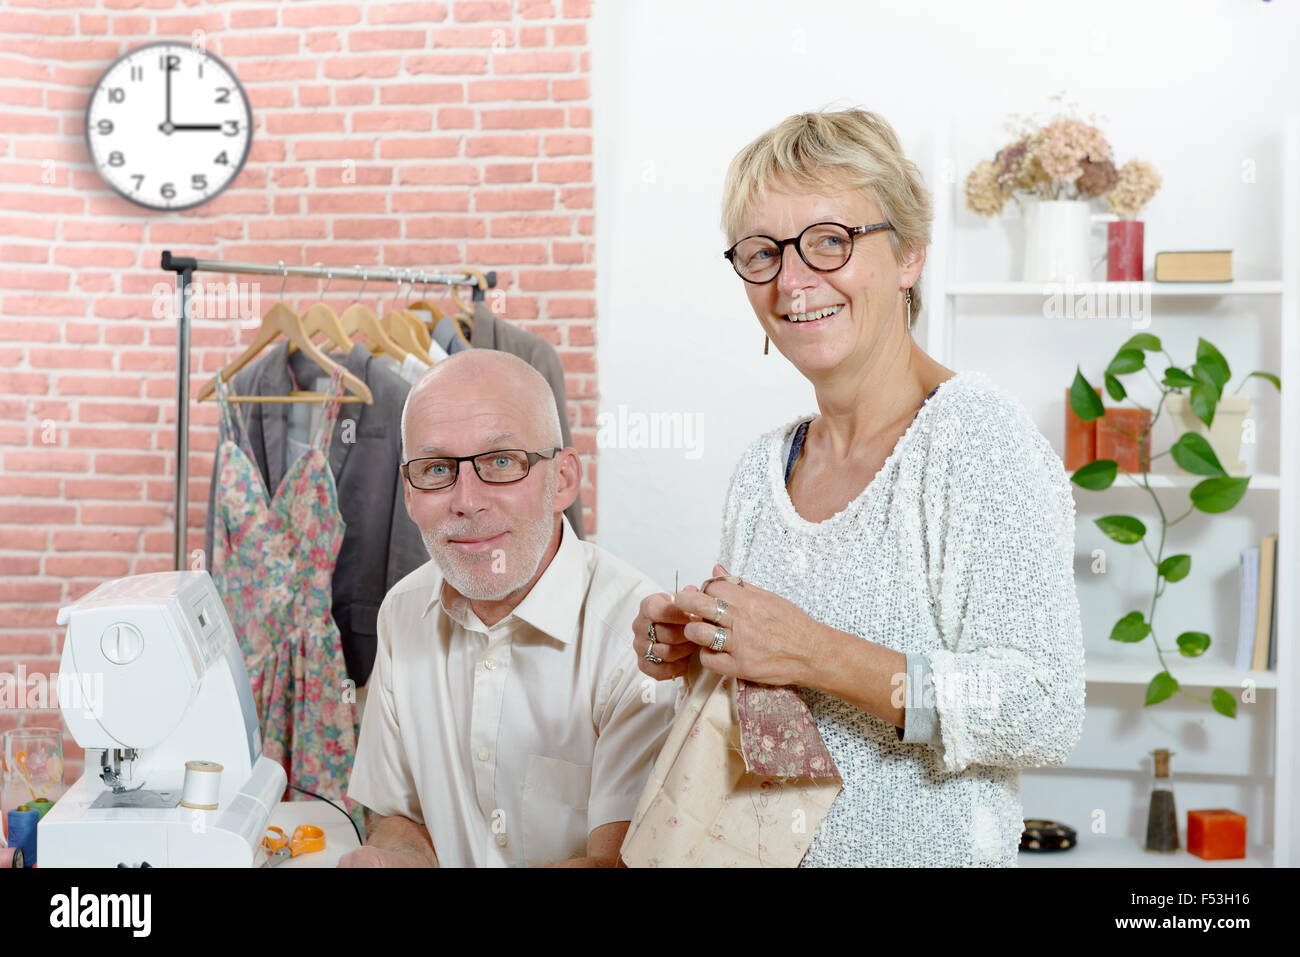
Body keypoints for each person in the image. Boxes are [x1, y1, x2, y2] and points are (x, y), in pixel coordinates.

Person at [632, 108, 1086, 866]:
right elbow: (772, 714)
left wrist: (813, 652)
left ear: (909, 254)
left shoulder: (975, 440)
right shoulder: (760, 472)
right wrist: (697, 645)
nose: (793, 280)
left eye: (830, 241)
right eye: (762, 252)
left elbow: (1041, 710)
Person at [342, 349, 676, 867]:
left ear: (562, 480)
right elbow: (396, 815)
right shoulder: (403, 611)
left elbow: (617, 863)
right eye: (436, 469)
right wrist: (394, 859)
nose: (467, 501)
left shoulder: (640, 644)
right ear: (409, 494)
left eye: (501, 462)